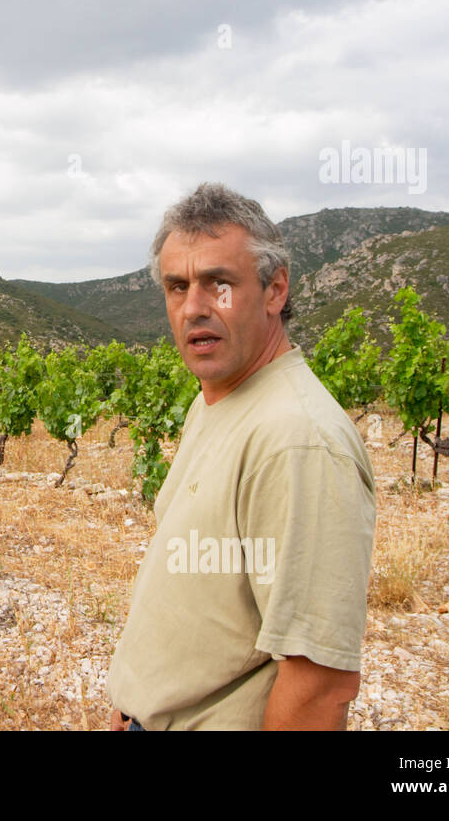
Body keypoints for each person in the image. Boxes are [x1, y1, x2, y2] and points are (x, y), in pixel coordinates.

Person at [106, 183, 376, 730]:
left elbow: (320, 684)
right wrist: (134, 704)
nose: (194, 308)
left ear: (275, 290)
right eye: (176, 287)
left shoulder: (296, 440)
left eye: (219, 284)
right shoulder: (217, 401)